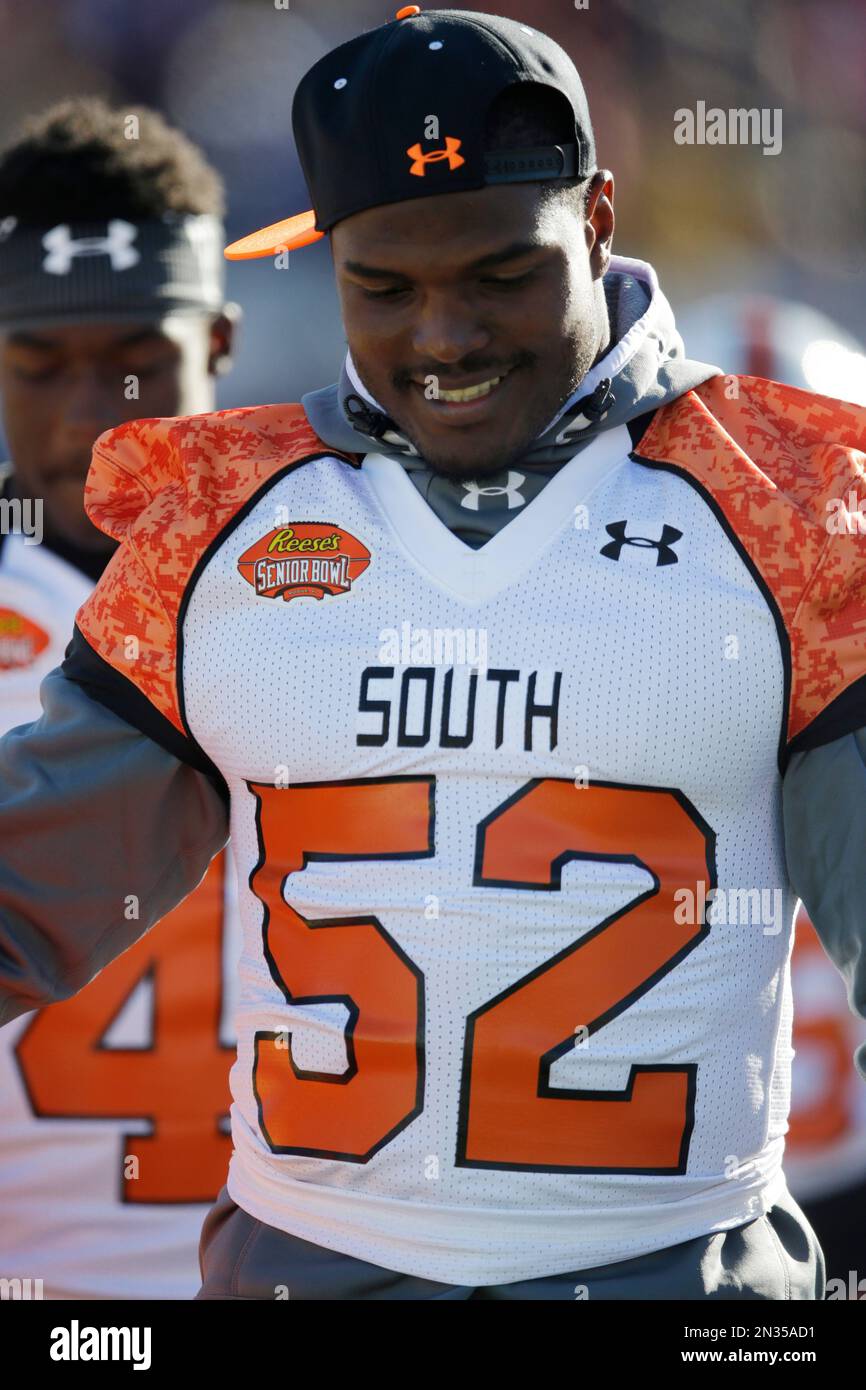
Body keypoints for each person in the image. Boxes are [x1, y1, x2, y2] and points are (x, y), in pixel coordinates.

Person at [1, 6, 864, 1301]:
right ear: (326, 261)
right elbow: (29, 889)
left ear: (598, 221)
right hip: (308, 1269)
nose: (444, 338)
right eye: (384, 289)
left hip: (681, 1282)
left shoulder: (788, 508)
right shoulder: (221, 520)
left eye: (501, 274)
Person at [0, 97, 241, 1299]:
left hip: (316, 1258)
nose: (92, 415)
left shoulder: (346, 582)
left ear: (223, 344)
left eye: (139, 363)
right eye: (40, 366)